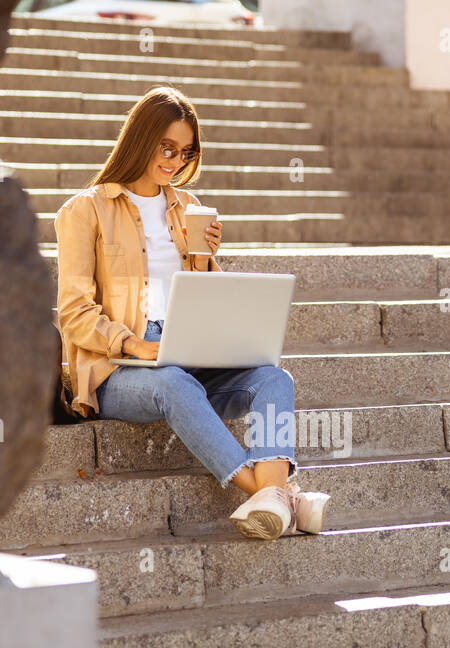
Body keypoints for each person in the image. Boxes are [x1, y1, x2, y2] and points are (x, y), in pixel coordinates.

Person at [53, 86, 331, 540]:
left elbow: (208, 298)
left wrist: (207, 260)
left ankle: (272, 498)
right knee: (174, 382)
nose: (175, 161)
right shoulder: (85, 211)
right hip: (118, 371)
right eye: (167, 148)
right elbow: (75, 313)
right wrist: (135, 344)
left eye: (186, 152)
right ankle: (277, 496)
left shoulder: (191, 209)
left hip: (189, 350)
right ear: (140, 140)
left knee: (274, 378)